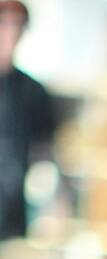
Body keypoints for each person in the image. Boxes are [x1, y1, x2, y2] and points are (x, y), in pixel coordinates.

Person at [0, 0, 55, 242]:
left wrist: (50, 203)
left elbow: (44, 152)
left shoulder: (33, 91)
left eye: (17, 25)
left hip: (12, 209)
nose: (11, 32)